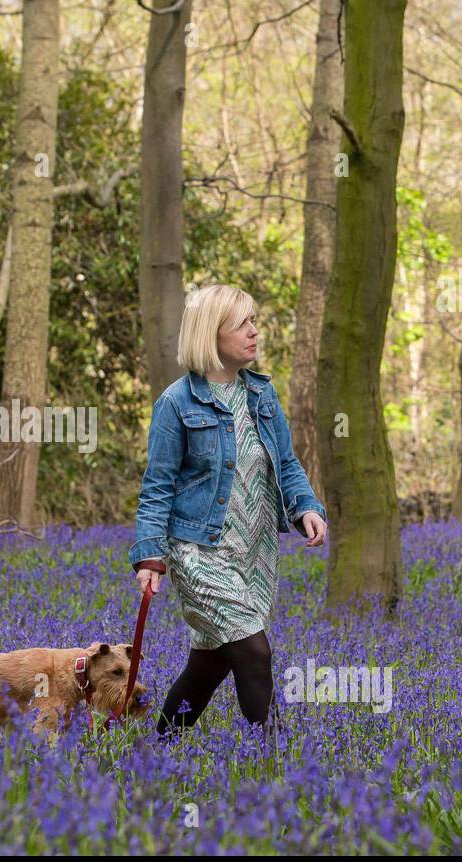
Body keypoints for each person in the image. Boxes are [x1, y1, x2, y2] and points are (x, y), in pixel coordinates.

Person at [129, 284, 327, 738]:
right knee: (254, 651)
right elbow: (157, 487)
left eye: (254, 320)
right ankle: (278, 766)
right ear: (209, 333)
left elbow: (287, 463)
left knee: (211, 663)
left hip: (255, 551)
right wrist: (149, 555)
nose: (255, 331)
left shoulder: (261, 395)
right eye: (242, 323)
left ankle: (152, 754)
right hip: (198, 551)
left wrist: (305, 509)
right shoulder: (176, 403)